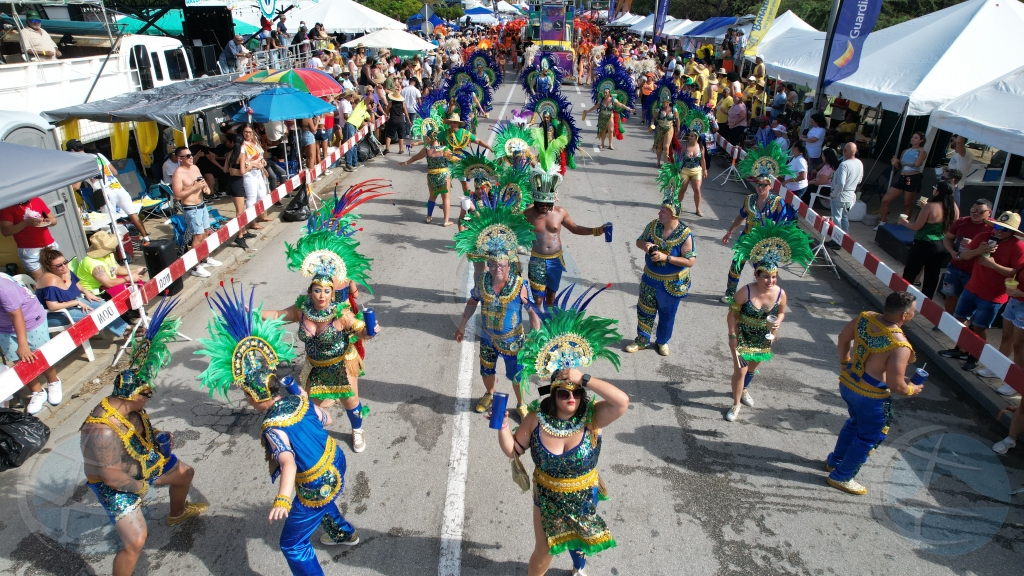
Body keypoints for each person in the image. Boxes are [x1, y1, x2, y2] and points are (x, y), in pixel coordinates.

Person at [199, 285, 359, 576]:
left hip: (314, 479)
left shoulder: (272, 425)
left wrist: (283, 499)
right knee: (320, 500)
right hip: (335, 460)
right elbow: (327, 420)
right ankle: (343, 533)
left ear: (252, 398)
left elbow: (286, 462)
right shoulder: (300, 400)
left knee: (293, 544)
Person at [498, 288, 629, 576]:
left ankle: (579, 564)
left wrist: (584, 377)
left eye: (577, 393)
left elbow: (622, 402)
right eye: (564, 394)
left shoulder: (592, 418)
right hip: (547, 496)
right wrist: (503, 427)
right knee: (543, 551)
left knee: (578, 541)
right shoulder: (535, 418)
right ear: (552, 395)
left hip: (584, 494)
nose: (571, 397)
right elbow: (513, 451)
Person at [80, 300, 206, 575]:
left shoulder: (131, 410)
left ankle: (177, 514)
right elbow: (114, 477)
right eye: (147, 394)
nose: (150, 398)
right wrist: (142, 488)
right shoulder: (101, 431)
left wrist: (159, 436)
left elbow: (139, 434)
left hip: (141, 461)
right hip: (116, 483)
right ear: (134, 396)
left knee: (184, 473)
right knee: (135, 542)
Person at [264, 229, 378, 453]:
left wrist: (370, 330)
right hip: (315, 368)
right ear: (311, 291)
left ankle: (357, 430)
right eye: (317, 290)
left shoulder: (340, 313)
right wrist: (253, 313)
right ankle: (314, 438)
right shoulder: (301, 310)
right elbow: (277, 315)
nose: (322, 295)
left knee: (350, 402)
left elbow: (360, 330)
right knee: (309, 408)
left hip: (341, 365)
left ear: (332, 293)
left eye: (327, 291)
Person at [826, 291, 923, 495]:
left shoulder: (865, 317)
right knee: (868, 436)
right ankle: (841, 476)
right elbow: (897, 386)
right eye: (914, 311)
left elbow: (843, 339)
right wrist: (912, 389)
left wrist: (845, 364)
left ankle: (835, 461)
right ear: (904, 315)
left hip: (848, 384)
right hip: (870, 398)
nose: (915, 314)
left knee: (853, 423)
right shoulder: (900, 345)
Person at [453, 204, 541, 418]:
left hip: (513, 341)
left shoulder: (521, 285)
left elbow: (532, 312)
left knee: (517, 376)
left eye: (501, 265)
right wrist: (462, 325)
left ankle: (520, 403)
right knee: (486, 369)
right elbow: (473, 302)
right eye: (492, 265)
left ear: (509, 265)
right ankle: (489, 393)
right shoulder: (483, 281)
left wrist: (535, 335)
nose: (497, 269)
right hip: (487, 338)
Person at [723, 222, 810, 422]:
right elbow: (731, 314)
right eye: (766, 277)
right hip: (742, 335)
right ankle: (736, 404)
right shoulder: (745, 291)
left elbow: (781, 312)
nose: (770, 281)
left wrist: (778, 322)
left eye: (773, 277)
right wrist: (732, 335)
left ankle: (743, 389)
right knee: (741, 369)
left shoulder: (781, 293)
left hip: (764, 337)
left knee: (752, 369)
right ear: (757, 275)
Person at [523, 137, 609, 306]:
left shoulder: (560, 212)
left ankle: (547, 329)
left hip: (556, 260)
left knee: (551, 298)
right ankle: (537, 327)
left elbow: (575, 228)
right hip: (537, 260)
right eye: (541, 205)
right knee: (538, 298)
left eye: (548, 205)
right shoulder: (527, 214)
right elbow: (510, 225)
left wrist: (596, 230)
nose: (544, 208)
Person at [939, 211, 1024, 372]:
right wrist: (978, 250)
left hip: (993, 296)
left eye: (1004, 229)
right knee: (958, 320)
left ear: (1012, 232)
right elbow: (963, 255)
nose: (998, 231)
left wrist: (992, 265)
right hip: (971, 288)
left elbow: (1015, 273)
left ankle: (975, 356)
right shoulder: (984, 236)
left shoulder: (1018, 247)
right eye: (997, 226)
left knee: (979, 327)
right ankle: (961, 350)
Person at [625, 182, 696, 356]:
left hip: (671, 283)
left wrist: (667, 257)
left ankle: (662, 342)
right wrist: (647, 246)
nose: (659, 212)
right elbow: (639, 241)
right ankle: (642, 340)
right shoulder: (653, 226)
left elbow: (690, 261)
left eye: (663, 210)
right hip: (650, 278)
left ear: (673, 214)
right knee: (644, 310)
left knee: (667, 314)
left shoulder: (685, 234)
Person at [721, 143, 790, 301]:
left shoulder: (777, 202)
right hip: (746, 238)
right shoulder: (750, 199)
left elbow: (783, 224)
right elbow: (741, 216)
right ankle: (730, 294)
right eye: (758, 184)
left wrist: (777, 244)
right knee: (736, 266)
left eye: (764, 185)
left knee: (766, 272)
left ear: (770, 186)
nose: (760, 187)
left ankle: (766, 298)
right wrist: (730, 231)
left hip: (764, 243)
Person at [66, 139, 152, 243]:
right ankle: (146, 237)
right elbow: (115, 172)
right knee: (133, 214)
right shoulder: (99, 155)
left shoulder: (80, 163)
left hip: (104, 193)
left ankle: (119, 246)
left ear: (72, 150)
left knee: (111, 221)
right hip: (118, 188)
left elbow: (76, 186)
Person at [0, 273, 61, 414]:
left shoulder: (4, 287)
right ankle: (37, 391)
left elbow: (16, 314)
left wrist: (23, 344)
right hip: (3, 326)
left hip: (30, 319)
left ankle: (53, 381)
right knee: (18, 361)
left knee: (40, 355)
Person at [35, 247, 128, 339]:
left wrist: (86, 292)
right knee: (93, 314)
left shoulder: (64, 271)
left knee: (102, 304)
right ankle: (127, 329)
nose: (64, 266)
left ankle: (125, 328)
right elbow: (52, 306)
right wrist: (76, 302)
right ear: (48, 267)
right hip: (54, 314)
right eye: (59, 265)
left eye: (65, 262)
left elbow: (76, 284)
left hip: (69, 304)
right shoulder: (51, 280)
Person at [940, 199, 992, 331]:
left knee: (969, 302)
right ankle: (949, 323)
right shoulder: (961, 222)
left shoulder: (993, 229)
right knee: (950, 295)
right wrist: (952, 251)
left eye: (980, 211)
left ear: (989, 213)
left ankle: (966, 329)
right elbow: (947, 238)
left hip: (975, 272)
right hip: (955, 266)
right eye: (973, 210)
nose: (975, 213)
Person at [899, 181, 958, 299]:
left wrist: (905, 223)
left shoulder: (930, 206)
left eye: (934, 188)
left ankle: (902, 298)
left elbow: (916, 226)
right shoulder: (955, 208)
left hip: (925, 244)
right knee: (933, 274)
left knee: (911, 271)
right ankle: (927, 301)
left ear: (938, 191)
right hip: (943, 245)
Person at [170, 147, 222, 278]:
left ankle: (205, 258)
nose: (191, 157)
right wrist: (194, 188)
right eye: (187, 156)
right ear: (179, 158)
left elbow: (201, 183)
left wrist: (205, 188)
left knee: (206, 232)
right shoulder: (178, 174)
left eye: (191, 155)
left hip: (202, 205)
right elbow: (177, 196)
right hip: (191, 209)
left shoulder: (195, 168)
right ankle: (195, 266)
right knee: (197, 236)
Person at [402, 120, 452, 226]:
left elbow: (416, 157)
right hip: (444, 175)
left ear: (429, 139)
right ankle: (446, 221)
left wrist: (406, 163)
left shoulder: (427, 149)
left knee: (432, 197)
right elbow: (453, 159)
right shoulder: (444, 149)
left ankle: (429, 216)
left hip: (431, 176)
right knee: (446, 198)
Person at [0, 196, 58, 282]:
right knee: (39, 280)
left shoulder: (36, 199)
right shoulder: (7, 206)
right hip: (29, 249)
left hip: (49, 244)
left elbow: (54, 220)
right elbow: (6, 231)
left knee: (58, 273)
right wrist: (26, 222)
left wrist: (47, 221)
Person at [878, 131, 927, 230]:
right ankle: (882, 223)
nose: (913, 139)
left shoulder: (922, 152)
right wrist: (896, 162)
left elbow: (917, 164)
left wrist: (921, 151)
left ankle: (903, 225)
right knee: (885, 200)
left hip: (913, 178)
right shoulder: (905, 151)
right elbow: (900, 167)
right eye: (913, 137)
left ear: (921, 140)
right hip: (902, 177)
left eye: (916, 138)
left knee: (907, 204)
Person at [240, 125, 273, 229]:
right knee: (251, 197)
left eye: (250, 132)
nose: (248, 134)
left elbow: (260, 155)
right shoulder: (243, 146)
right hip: (249, 173)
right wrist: (254, 164)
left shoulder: (255, 143)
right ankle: (252, 221)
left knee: (262, 194)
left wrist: (262, 160)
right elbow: (243, 162)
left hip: (259, 172)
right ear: (242, 132)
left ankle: (260, 215)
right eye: (246, 132)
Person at [829, 142, 864, 234]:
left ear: (844, 151)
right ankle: (845, 237)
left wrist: (833, 194)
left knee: (837, 218)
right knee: (844, 217)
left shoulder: (844, 164)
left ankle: (837, 239)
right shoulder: (859, 163)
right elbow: (860, 180)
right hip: (850, 196)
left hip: (840, 196)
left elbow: (841, 183)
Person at [677, 130, 708, 216]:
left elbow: (702, 160)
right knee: (682, 189)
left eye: (692, 136)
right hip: (685, 170)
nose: (689, 137)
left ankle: (698, 209)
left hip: (696, 170)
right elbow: (679, 159)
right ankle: (677, 206)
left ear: (696, 138)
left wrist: (704, 170)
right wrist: (676, 169)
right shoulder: (685, 147)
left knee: (697, 189)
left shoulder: (701, 148)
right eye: (689, 136)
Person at [947, 135, 974, 207]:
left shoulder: (965, 154)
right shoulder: (956, 155)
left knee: (951, 211)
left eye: (953, 140)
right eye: (951, 139)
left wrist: (962, 129)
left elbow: (959, 142)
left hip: (956, 187)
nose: (951, 141)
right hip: (949, 186)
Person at [651, 99, 678, 167]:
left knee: (666, 146)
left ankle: (665, 164)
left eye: (664, 102)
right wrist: (652, 124)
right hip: (660, 128)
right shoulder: (658, 109)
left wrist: (678, 128)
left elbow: (677, 119)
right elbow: (653, 118)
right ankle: (658, 161)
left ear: (668, 102)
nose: (662, 103)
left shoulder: (674, 110)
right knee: (659, 146)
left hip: (669, 128)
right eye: (662, 102)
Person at [382, 90, 410, 155]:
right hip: (401, 121)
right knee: (401, 135)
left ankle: (387, 148)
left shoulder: (390, 104)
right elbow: (406, 113)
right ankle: (401, 149)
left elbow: (386, 113)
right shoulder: (402, 104)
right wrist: (409, 121)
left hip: (392, 120)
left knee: (389, 135)